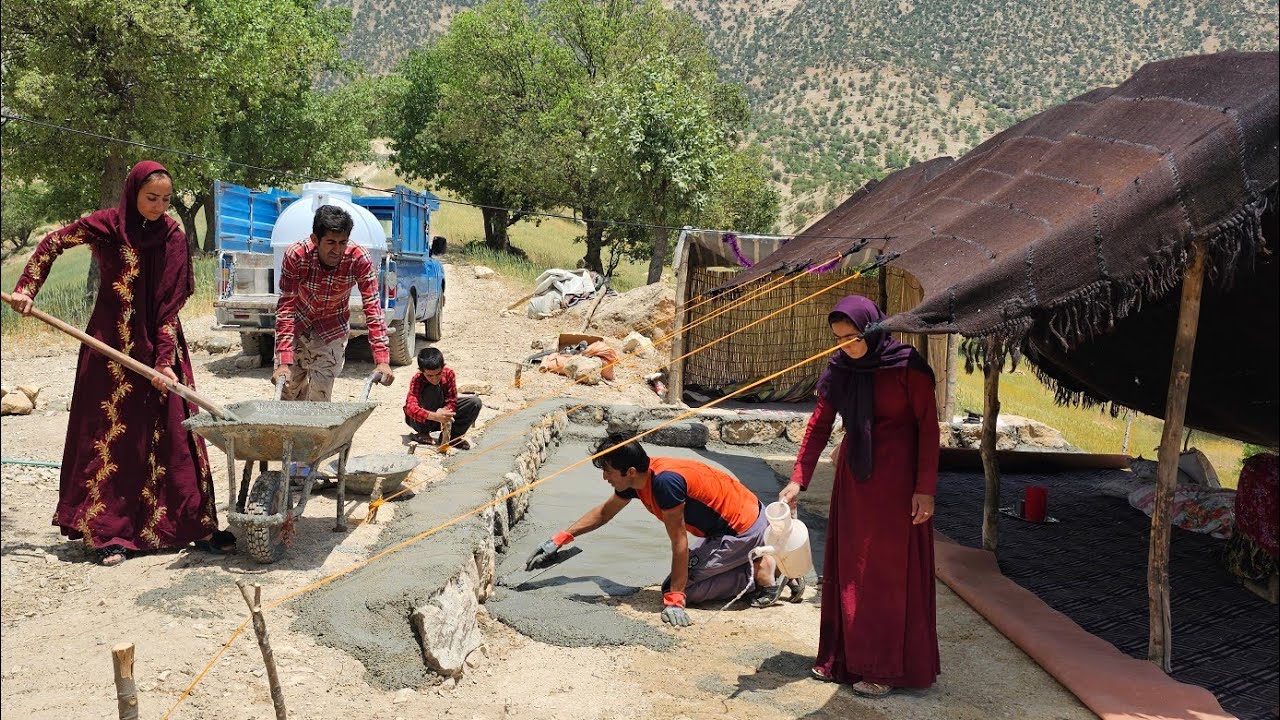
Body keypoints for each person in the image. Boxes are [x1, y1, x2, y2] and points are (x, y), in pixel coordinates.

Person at [6, 161, 235, 566]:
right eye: (151, 198)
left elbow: (168, 308)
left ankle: (189, 525)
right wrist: (27, 289)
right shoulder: (107, 225)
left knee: (175, 432)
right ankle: (110, 532)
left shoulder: (173, 237)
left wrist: (165, 362)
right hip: (107, 345)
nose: (159, 207)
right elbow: (52, 243)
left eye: (166, 200)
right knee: (111, 434)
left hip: (159, 347)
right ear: (132, 193)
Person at [780, 294, 940, 697]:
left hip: (899, 483)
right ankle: (842, 658)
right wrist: (798, 478)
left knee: (886, 573)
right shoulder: (841, 369)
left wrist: (925, 489)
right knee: (851, 569)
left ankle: (884, 667)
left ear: (872, 328)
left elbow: (928, 430)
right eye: (838, 339)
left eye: (852, 337)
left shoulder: (907, 367)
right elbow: (819, 425)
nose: (846, 345)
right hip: (855, 481)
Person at [525, 435, 779, 628]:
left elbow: (679, 542)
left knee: (678, 589)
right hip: (736, 519)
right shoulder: (637, 480)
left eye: (608, 471)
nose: (605, 478)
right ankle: (756, 559)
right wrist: (560, 539)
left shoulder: (665, 484)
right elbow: (605, 513)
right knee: (678, 581)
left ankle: (758, 570)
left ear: (631, 471)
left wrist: (676, 599)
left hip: (741, 530)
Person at [270, 205, 393, 401]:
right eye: (330, 242)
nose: (337, 250)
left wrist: (382, 359)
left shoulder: (358, 259)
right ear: (315, 240)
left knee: (320, 397)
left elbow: (373, 308)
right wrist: (283, 361)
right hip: (298, 325)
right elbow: (285, 308)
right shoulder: (297, 255)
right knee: (288, 390)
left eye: (342, 242)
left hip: (331, 329)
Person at [403, 347, 482, 450]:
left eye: (438, 374)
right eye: (430, 376)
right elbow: (410, 408)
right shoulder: (417, 379)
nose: (435, 378)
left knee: (475, 403)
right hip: (423, 420)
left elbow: (452, 399)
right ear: (422, 372)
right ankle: (423, 433)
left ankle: (454, 437)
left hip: (441, 415)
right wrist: (435, 416)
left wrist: (445, 411)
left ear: (443, 367)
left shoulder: (449, 374)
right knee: (432, 389)